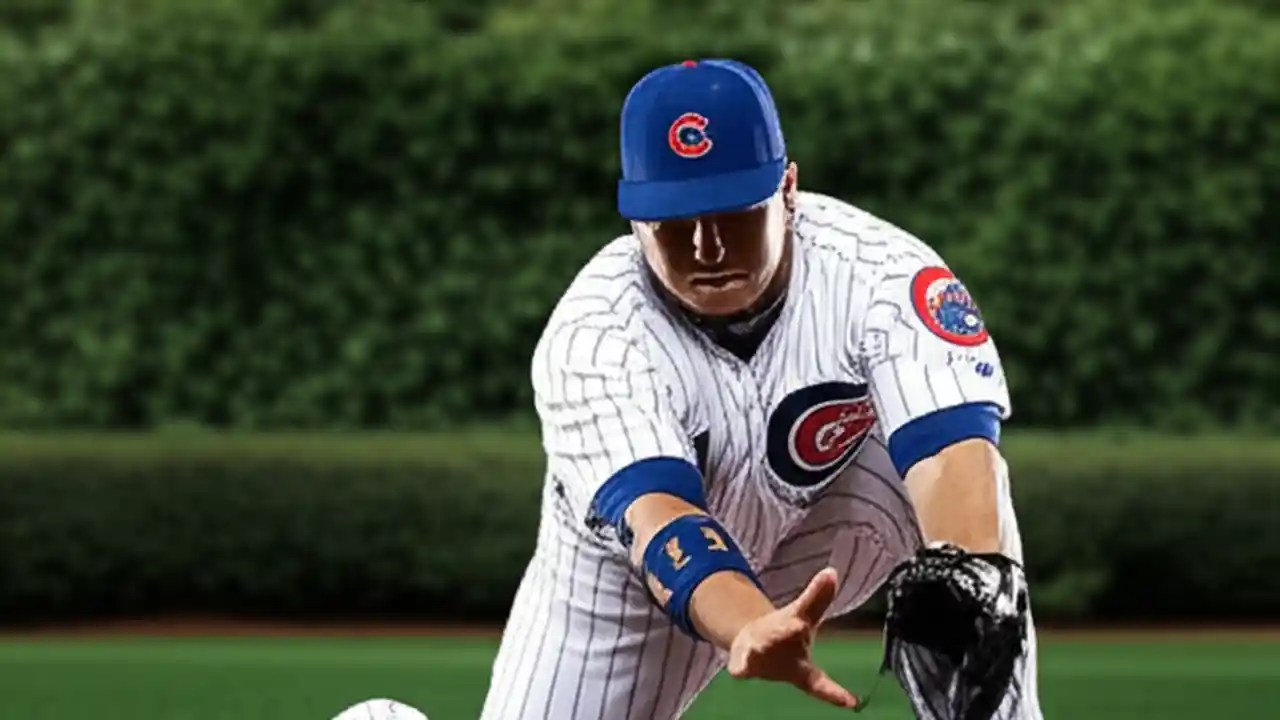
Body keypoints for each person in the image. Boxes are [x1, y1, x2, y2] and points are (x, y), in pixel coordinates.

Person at [480, 58, 1041, 720]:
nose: (707, 245)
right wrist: (747, 623)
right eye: (673, 220)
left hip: (833, 517)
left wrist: (967, 583)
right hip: (631, 582)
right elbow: (662, 518)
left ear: (789, 189)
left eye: (733, 212)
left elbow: (952, 453)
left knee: (973, 558)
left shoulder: (880, 274)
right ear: (632, 218)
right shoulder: (596, 332)